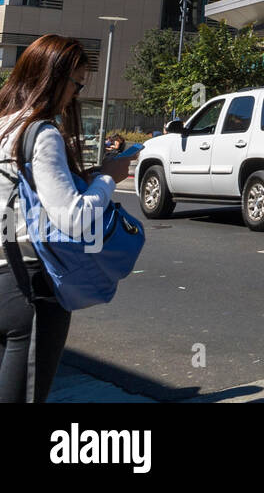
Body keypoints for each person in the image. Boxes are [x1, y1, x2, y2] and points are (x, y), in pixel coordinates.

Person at [0, 35, 135, 403]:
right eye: (77, 83)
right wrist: (109, 178)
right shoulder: (41, 133)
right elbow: (74, 218)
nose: (76, 94)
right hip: (29, 288)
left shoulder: (4, 126)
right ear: (54, 78)